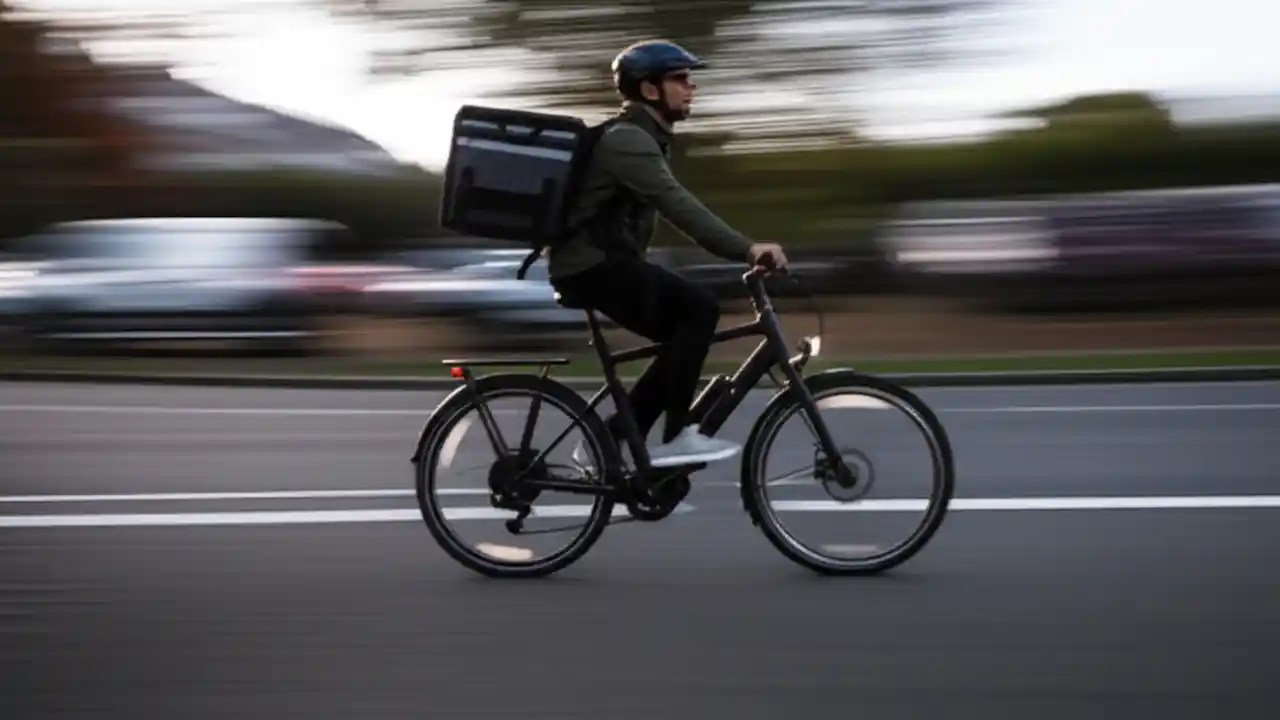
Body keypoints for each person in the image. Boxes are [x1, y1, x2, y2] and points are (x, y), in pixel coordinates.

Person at [548, 39, 789, 468]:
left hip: (598, 265)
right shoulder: (629, 141)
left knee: (685, 333)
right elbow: (679, 206)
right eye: (680, 79)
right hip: (589, 267)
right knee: (698, 309)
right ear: (649, 90)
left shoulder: (642, 138)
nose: (690, 87)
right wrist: (747, 248)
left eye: (689, 79)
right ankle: (676, 436)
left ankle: (613, 436)